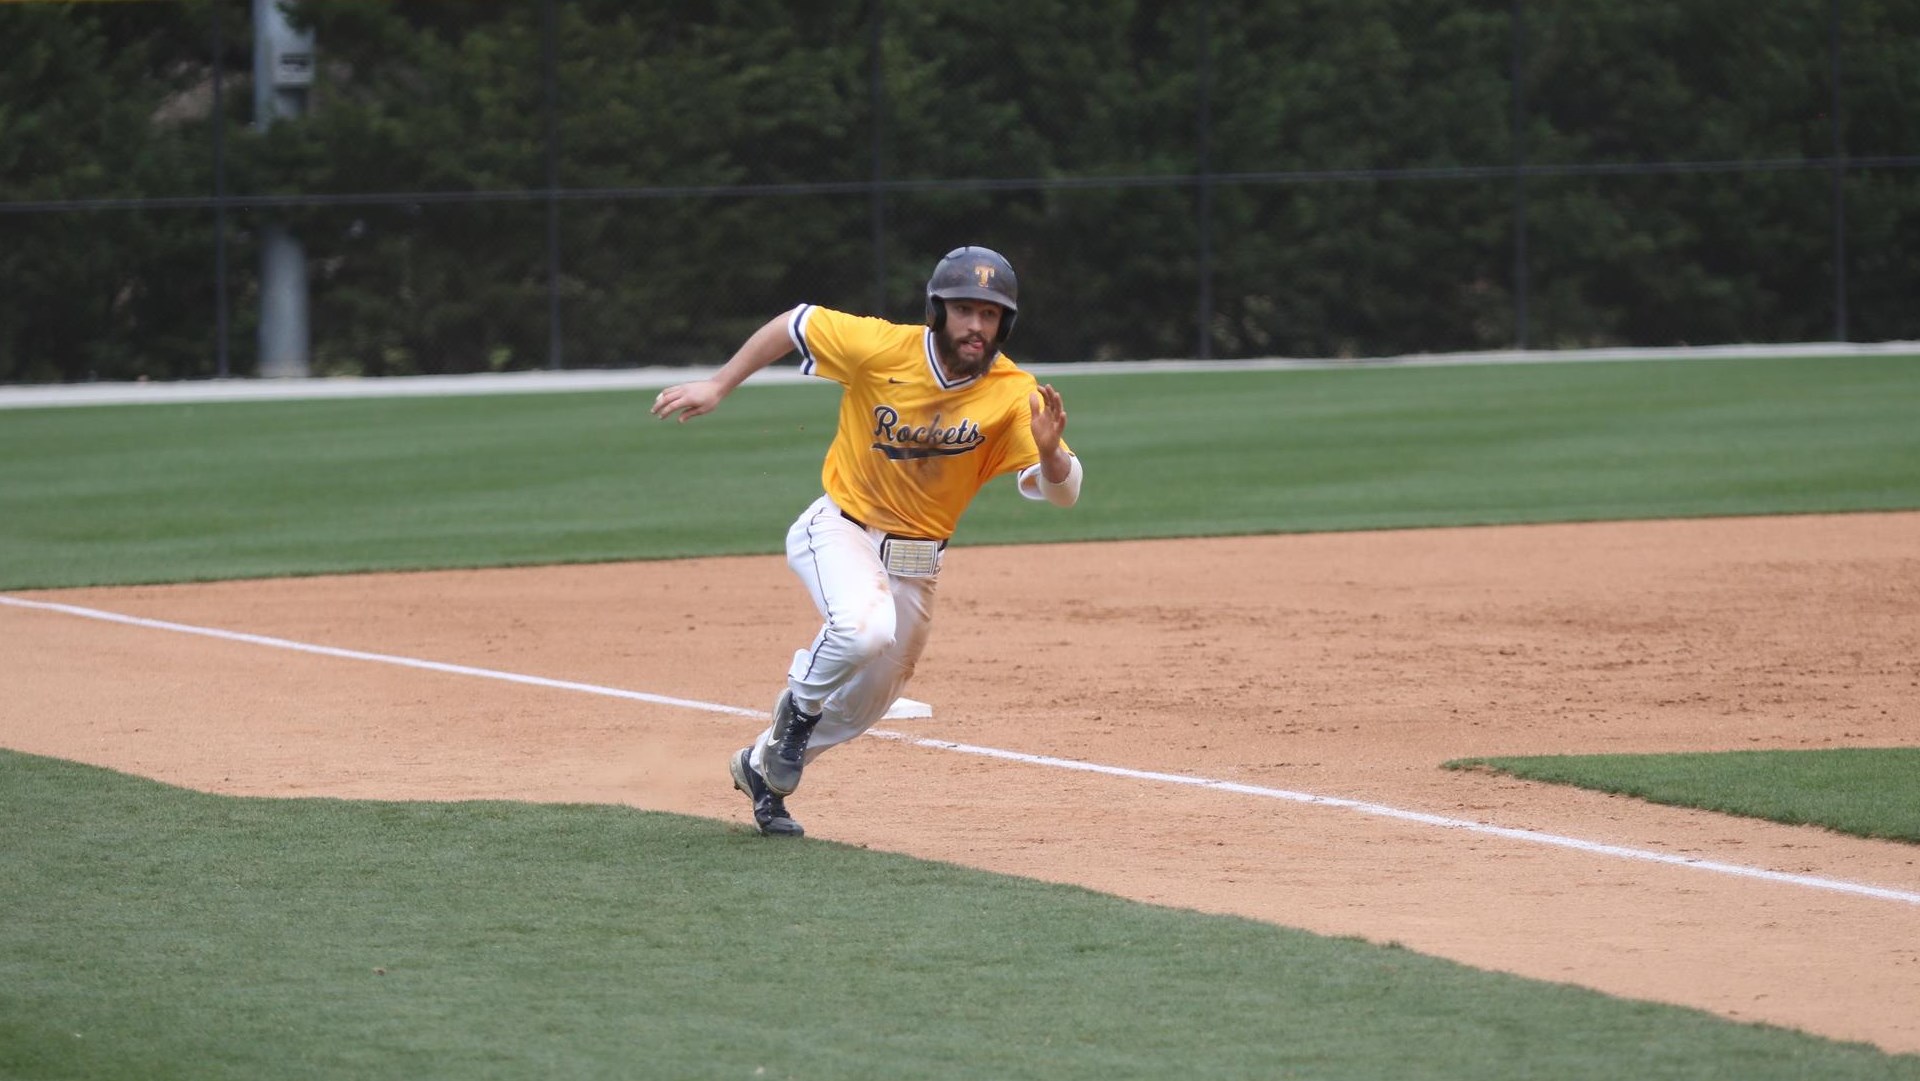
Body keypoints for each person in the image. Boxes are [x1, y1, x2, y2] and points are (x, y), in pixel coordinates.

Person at [649, 245, 1083, 837]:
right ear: (938, 311)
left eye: (989, 314)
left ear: (1005, 322)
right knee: (863, 629)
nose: (976, 326)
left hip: (917, 562)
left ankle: (761, 767)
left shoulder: (1014, 393)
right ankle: (797, 709)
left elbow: (1064, 494)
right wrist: (721, 384)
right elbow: (793, 323)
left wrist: (1053, 450)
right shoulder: (882, 348)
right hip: (841, 529)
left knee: (864, 704)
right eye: (964, 311)